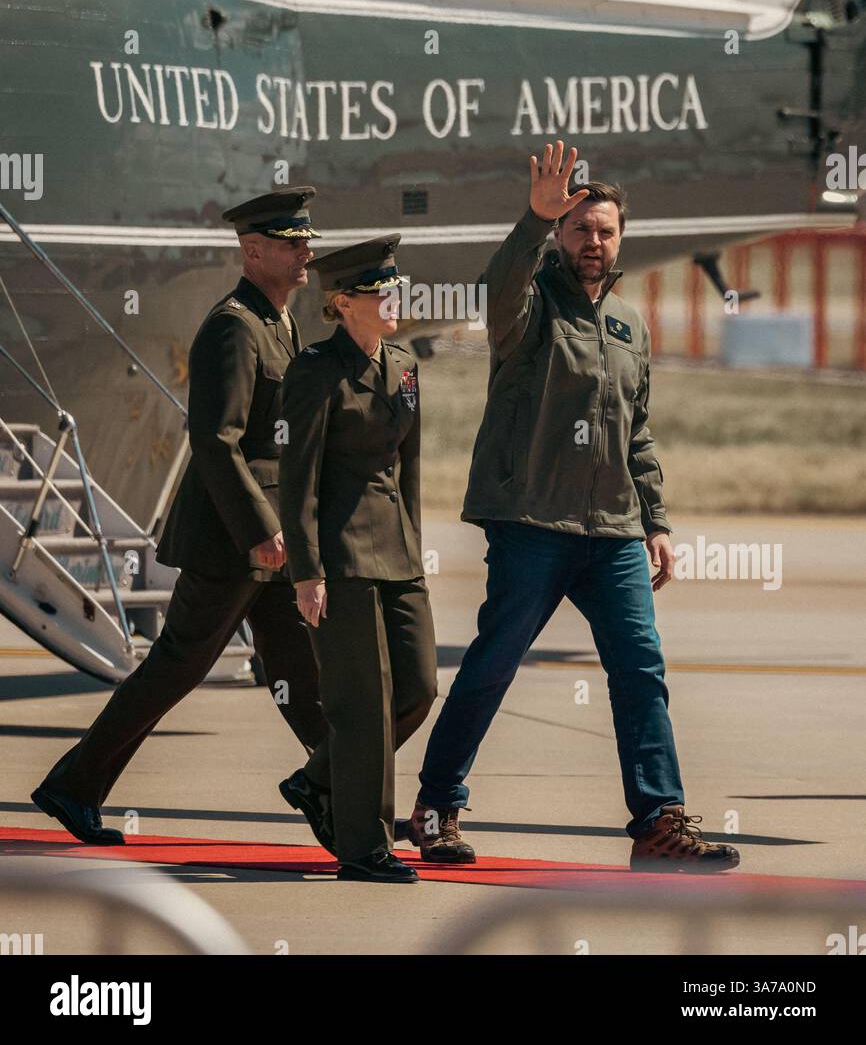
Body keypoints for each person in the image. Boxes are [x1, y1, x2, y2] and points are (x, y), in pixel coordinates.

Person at [400, 142, 740, 873]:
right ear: (561, 235)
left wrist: (656, 519)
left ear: (622, 239)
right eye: (580, 229)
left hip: (613, 528)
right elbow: (497, 288)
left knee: (641, 667)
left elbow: (636, 429)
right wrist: (532, 217)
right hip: (531, 521)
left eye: (606, 231)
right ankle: (436, 806)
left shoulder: (628, 324)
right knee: (493, 663)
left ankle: (659, 818)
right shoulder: (526, 306)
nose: (594, 242)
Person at [32, 189, 329, 845]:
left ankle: (340, 795)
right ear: (254, 251)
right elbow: (216, 439)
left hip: (269, 537)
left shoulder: (280, 321)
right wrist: (260, 527)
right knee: (177, 665)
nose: (306, 250)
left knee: (296, 673)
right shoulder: (233, 326)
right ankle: (72, 786)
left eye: (307, 239)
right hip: (234, 540)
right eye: (291, 241)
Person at [278, 236, 437, 884]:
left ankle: (318, 782)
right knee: (363, 705)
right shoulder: (314, 370)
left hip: (396, 551)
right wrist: (306, 571)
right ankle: (364, 847)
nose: (396, 299)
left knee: (419, 686)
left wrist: (416, 548)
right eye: (382, 292)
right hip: (340, 557)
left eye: (397, 287)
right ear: (344, 303)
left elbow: (412, 469)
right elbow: (298, 478)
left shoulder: (403, 367)